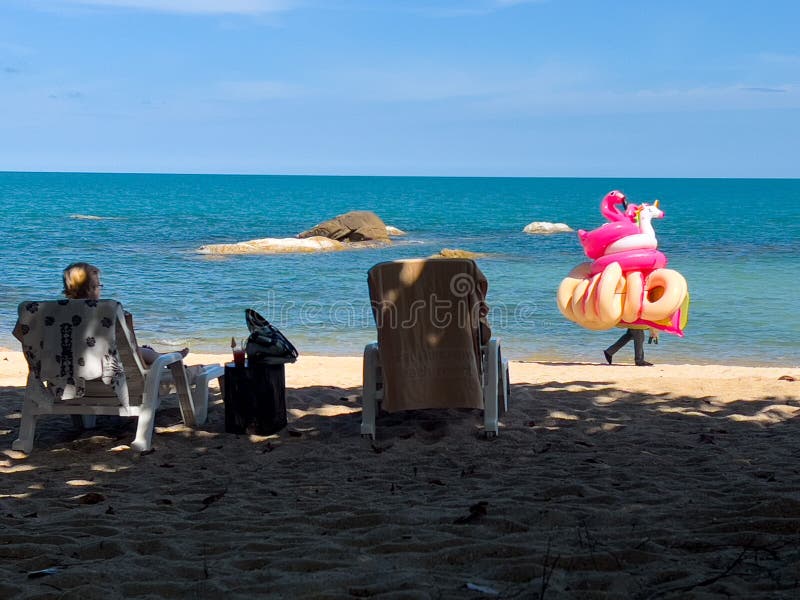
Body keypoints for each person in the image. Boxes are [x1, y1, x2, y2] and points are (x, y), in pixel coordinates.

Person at [14, 262, 188, 366]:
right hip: (104, 370)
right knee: (145, 353)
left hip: (62, 370)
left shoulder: (41, 312)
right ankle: (171, 360)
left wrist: (48, 350)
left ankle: (164, 356)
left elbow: (20, 334)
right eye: (99, 285)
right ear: (91, 289)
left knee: (144, 351)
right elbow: (130, 349)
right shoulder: (108, 311)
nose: (100, 289)